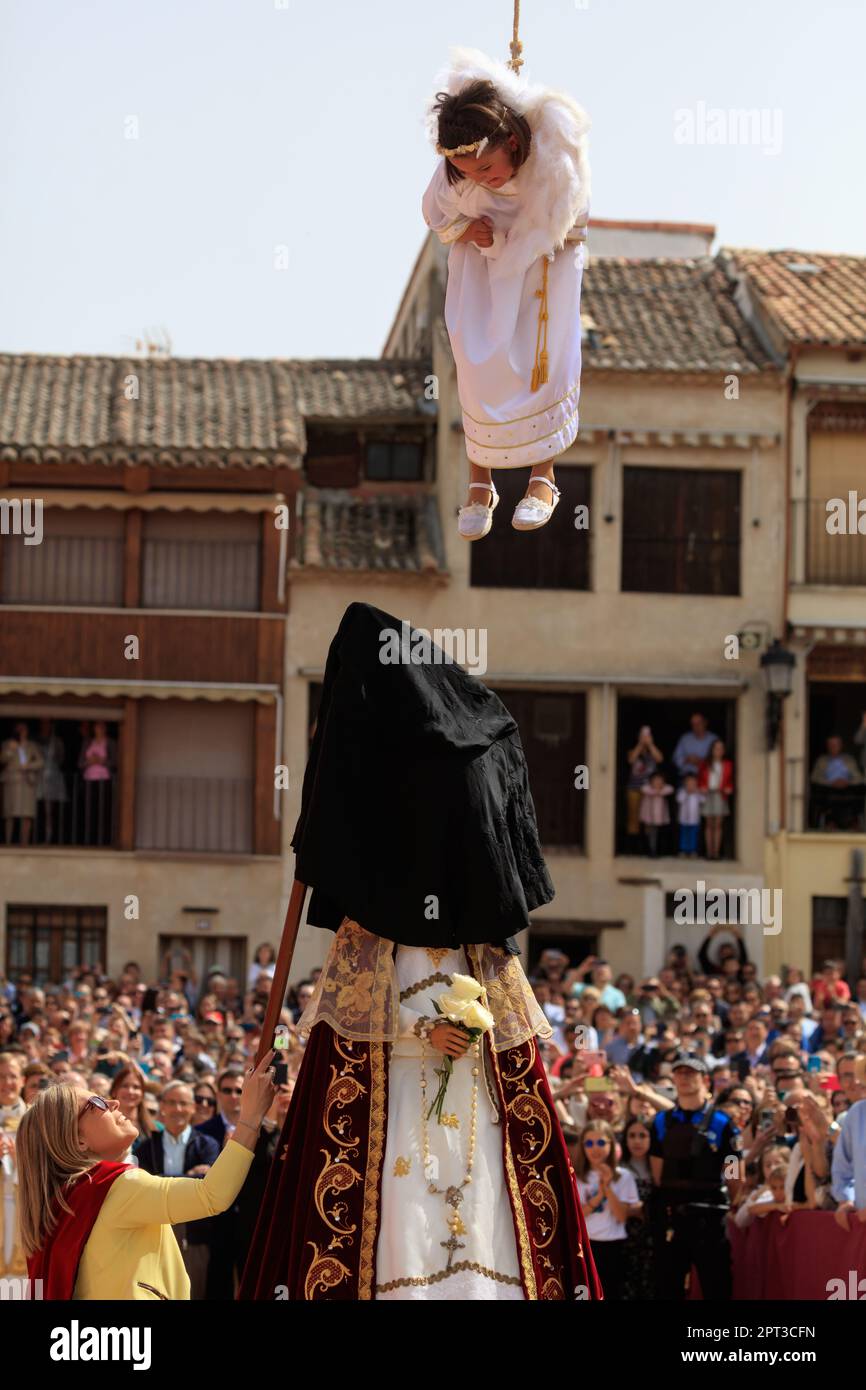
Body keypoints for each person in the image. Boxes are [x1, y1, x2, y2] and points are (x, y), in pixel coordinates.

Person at [238, 917, 601, 1301]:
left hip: (471, 1091)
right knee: (402, 1203)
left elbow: (507, 1023)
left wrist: (475, 1031)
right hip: (396, 1091)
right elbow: (350, 1009)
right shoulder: (371, 920)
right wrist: (426, 1030)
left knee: (484, 1202)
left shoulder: (482, 931)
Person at [421, 47, 590, 539]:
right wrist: (467, 231)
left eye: (489, 168)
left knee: (544, 363)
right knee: (479, 367)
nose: (484, 179)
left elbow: (572, 217)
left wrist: (524, 242)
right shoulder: (457, 173)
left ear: (513, 142)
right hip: (481, 277)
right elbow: (438, 216)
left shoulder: (553, 162)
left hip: (543, 270)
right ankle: (481, 483)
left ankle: (543, 477)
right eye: (473, 175)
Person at [17, 1052, 276, 1299]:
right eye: (96, 1103)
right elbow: (211, 1195)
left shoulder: (61, 1201)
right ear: (78, 1139)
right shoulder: (118, 1186)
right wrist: (250, 1118)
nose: (113, 1102)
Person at [648, 1054, 741, 1300]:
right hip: (672, 1213)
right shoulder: (661, 1121)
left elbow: (732, 1165)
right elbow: (657, 1167)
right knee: (668, 1285)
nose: (685, 1078)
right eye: (680, 1073)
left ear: (706, 1080)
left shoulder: (723, 1122)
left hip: (709, 1215)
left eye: (691, 1073)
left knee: (716, 1283)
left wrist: (734, 1198)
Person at [135, 1082, 220, 1299]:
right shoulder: (146, 1146)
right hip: (155, 1231)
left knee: (195, 1291)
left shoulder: (207, 1144)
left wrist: (160, 1180)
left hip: (196, 1233)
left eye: (183, 1103)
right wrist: (190, 1177)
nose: (178, 1109)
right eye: (172, 1102)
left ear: (193, 1107)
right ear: (162, 1106)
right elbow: (141, 1183)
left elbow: (209, 1183)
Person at [574, 1120, 640, 1301]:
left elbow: (621, 1216)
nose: (595, 1148)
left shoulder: (624, 1177)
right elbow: (576, 1217)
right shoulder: (577, 1177)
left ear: (611, 1145)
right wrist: (597, 1197)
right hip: (586, 1247)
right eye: (589, 1143)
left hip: (614, 1247)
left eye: (601, 1142)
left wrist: (607, 1186)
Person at [0, 1052, 27, 1277]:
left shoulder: (36, 1121)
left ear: (22, 1081)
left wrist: (22, 1163)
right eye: (1, 1077)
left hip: (24, 1210)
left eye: (12, 1076)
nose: (7, 1083)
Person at [625, 727, 663, 848]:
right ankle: (633, 845)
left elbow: (660, 759)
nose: (645, 738)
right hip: (634, 789)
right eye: (643, 736)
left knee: (649, 818)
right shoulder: (633, 750)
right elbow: (631, 760)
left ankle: (648, 846)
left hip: (649, 791)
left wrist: (650, 745)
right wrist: (640, 745)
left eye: (647, 736)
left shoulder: (653, 752)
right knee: (633, 818)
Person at [697, 739, 734, 860]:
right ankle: (709, 852)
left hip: (720, 794)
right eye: (716, 748)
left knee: (718, 824)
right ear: (712, 750)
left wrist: (729, 788)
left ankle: (716, 852)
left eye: (721, 748)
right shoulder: (705, 764)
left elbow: (731, 781)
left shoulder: (728, 764)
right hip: (708, 794)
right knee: (708, 824)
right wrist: (701, 787)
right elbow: (700, 779)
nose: (718, 751)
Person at [672, 713, 718, 784]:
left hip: (708, 777)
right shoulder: (685, 739)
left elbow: (719, 762)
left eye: (699, 723)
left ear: (705, 723)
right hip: (686, 777)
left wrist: (700, 762)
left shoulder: (713, 739)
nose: (696, 726)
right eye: (693, 724)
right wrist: (686, 759)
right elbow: (676, 759)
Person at [676, 773, 704, 858]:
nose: (691, 785)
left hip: (694, 820)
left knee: (693, 836)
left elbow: (703, 800)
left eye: (693, 783)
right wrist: (687, 792)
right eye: (689, 783)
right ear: (685, 783)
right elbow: (679, 799)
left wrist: (697, 791)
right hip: (684, 819)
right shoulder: (682, 792)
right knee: (684, 835)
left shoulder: (698, 792)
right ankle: (683, 850)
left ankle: (692, 851)